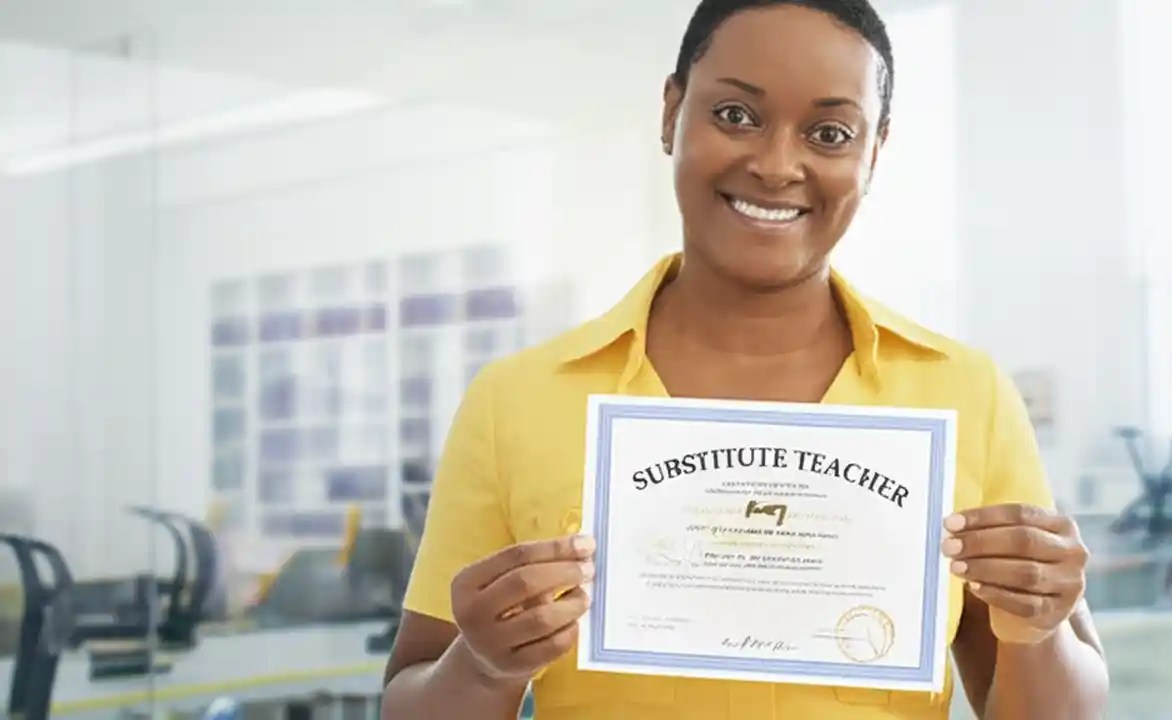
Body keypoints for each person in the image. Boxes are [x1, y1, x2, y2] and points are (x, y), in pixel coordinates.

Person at [380, 1, 1111, 718]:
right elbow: (409, 699)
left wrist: (1040, 629)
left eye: (829, 133)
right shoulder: (518, 399)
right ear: (671, 113)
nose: (775, 164)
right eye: (735, 116)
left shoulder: (966, 395)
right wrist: (481, 668)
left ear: (873, 154)